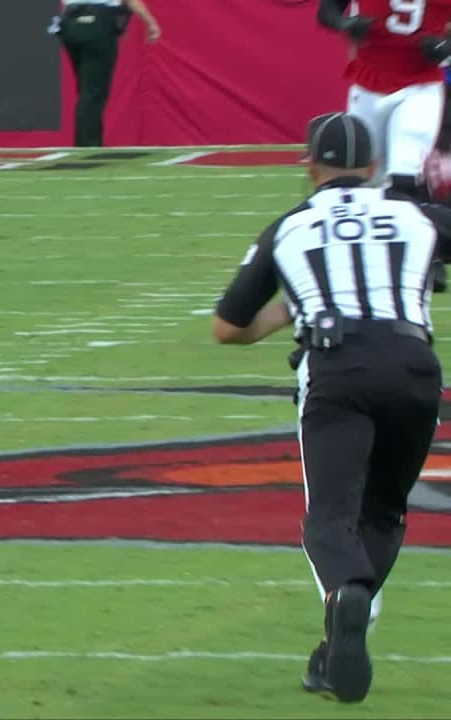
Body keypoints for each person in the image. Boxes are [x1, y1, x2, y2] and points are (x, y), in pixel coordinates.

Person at [212, 113, 451, 703]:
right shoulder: (415, 214)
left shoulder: (289, 226)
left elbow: (228, 326)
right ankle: (334, 647)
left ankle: (347, 593)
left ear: (309, 166)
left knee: (330, 516)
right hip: (413, 362)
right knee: (386, 511)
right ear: (371, 168)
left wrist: (294, 308)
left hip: (337, 365)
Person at [319, 0, 451, 289]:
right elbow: (327, 10)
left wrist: (445, 46)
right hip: (368, 84)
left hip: (419, 85)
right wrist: (345, 25)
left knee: (405, 178)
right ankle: (361, 255)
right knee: (358, 178)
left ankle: (426, 256)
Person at [54, 0, 161, 147]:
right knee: (93, 92)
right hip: (98, 21)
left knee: (86, 90)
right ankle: (87, 146)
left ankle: (86, 142)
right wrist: (150, 21)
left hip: (70, 20)